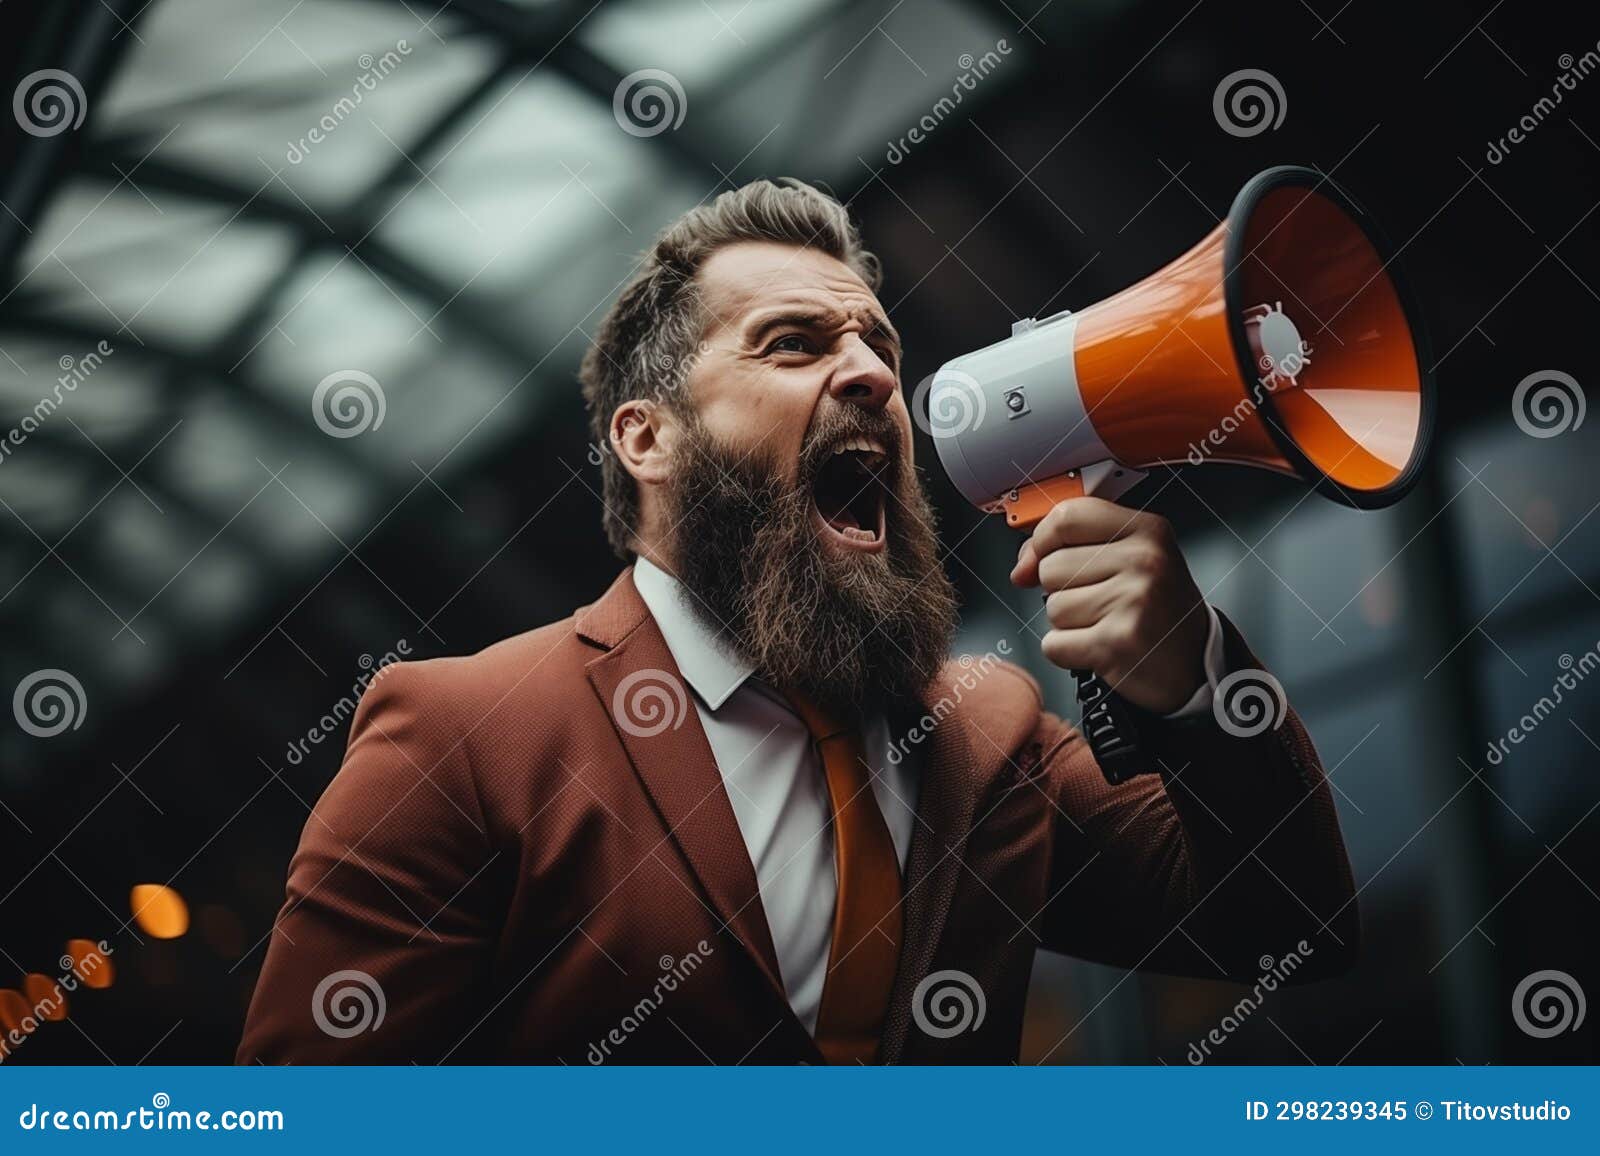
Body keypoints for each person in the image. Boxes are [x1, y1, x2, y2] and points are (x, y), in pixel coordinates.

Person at [237, 179, 1356, 1064]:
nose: (870, 372)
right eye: (794, 343)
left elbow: (1282, 928)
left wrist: (1194, 681)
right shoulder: (464, 735)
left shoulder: (988, 735)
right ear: (647, 438)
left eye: (880, 345)